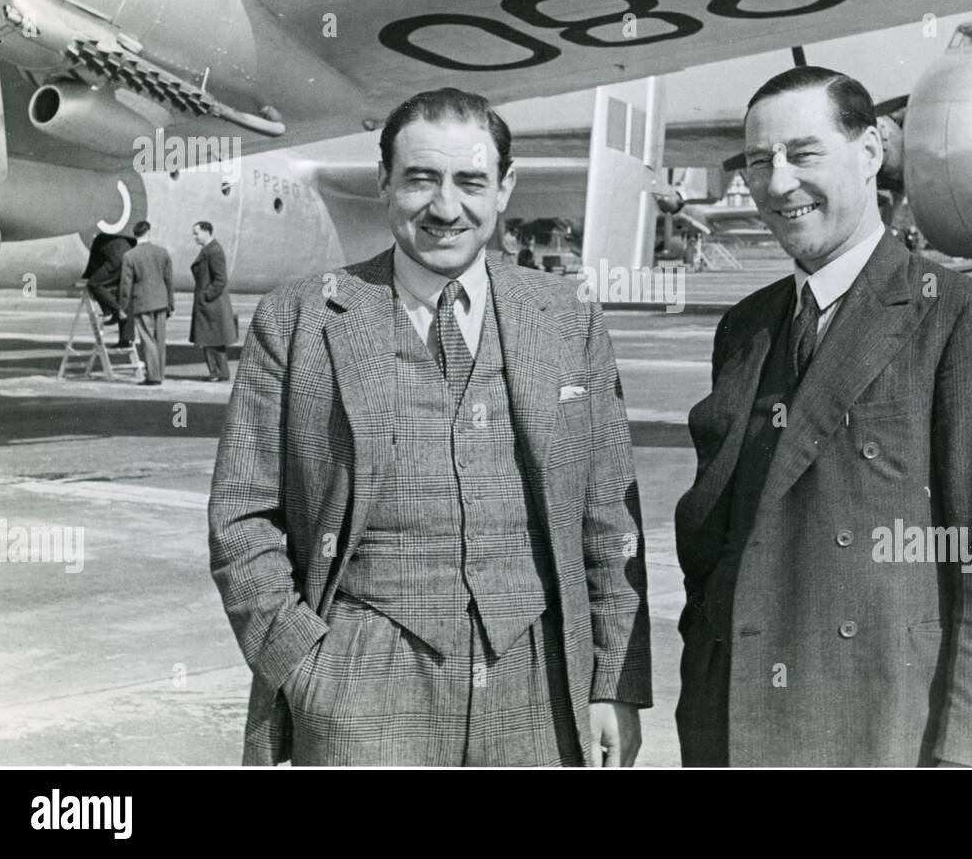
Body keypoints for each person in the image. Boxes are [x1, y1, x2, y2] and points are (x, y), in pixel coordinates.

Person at [208, 87, 650, 767]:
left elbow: (607, 514)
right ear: (384, 181)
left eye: (470, 181)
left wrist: (612, 679)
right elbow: (243, 517)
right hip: (360, 685)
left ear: (505, 188)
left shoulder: (568, 318)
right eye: (421, 179)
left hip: (534, 690)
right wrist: (302, 663)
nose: (446, 208)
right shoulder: (298, 320)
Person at [674, 67, 972, 767]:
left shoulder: (963, 318)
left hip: (878, 728)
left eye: (803, 153)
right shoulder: (747, 326)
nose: (779, 183)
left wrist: (968, 756)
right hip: (732, 724)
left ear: (872, 149)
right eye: (760, 161)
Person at [119, 221, 174, 386]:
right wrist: (171, 303)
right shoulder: (162, 252)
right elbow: (169, 280)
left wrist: (122, 307)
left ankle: (153, 376)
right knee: (160, 339)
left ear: (134, 234)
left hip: (142, 302)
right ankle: (160, 374)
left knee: (148, 339)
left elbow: (126, 284)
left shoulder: (130, 256)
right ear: (148, 232)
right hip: (161, 301)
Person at [189, 221, 238, 382]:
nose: (194, 237)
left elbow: (220, 279)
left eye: (197, 233)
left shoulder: (213, 251)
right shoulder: (209, 249)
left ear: (207, 232)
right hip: (210, 304)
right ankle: (218, 372)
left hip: (212, 305)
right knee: (211, 341)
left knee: (212, 341)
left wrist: (206, 296)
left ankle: (217, 372)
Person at [82, 231, 136, 347]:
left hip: (116, 261)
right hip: (129, 259)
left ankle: (115, 311)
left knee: (94, 284)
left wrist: (88, 281)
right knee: (124, 295)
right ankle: (126, 339)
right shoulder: (115, 237)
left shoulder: (98, 242)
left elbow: (93, 265)